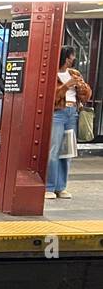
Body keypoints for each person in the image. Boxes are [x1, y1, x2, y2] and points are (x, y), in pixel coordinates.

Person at [49, 46, 92, 200]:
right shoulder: (52, 74)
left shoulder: (74, 73)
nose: (72, 59)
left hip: (72, 113)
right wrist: (66, 86)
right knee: (54, 150)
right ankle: (49, 186)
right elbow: (51, 97)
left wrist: (82, 87)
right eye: (70, 56)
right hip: (58, 113)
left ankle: (61, 187)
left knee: (67, 152)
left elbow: (86, 96)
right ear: (64, 57)